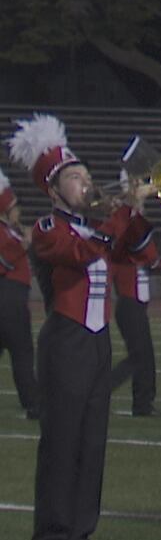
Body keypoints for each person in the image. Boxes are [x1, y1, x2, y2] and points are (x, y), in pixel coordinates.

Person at [11, 113, 151, 540]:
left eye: (87, 175)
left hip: (97, 341)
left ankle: (79, 535)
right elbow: (82, 253)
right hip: (66, 341)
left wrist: (137, 210)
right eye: (75, 177)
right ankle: (50, 539)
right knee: (61, 441)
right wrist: (121, 214)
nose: (86, 183)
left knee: (92, 441)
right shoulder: (49, 229)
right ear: (54, 190)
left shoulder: (96, 226)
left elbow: (145, 253)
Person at [106, 164, 161, 418]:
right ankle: (101, 390)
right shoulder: (126, 226)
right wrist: (131, 205)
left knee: (145, 358)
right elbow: (151, 258)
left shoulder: (133, 223)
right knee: (138, 357)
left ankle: (143, 405)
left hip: (135, 304)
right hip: (129, 303)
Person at [0, 169, 39, 421]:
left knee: (19, 352)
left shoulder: (10, 230)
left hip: (11, 297)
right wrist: (23, 245)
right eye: (14, 206)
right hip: (8, 298)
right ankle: (33, 404)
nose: (18, 210)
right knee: (22, 352)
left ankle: (33, 402)